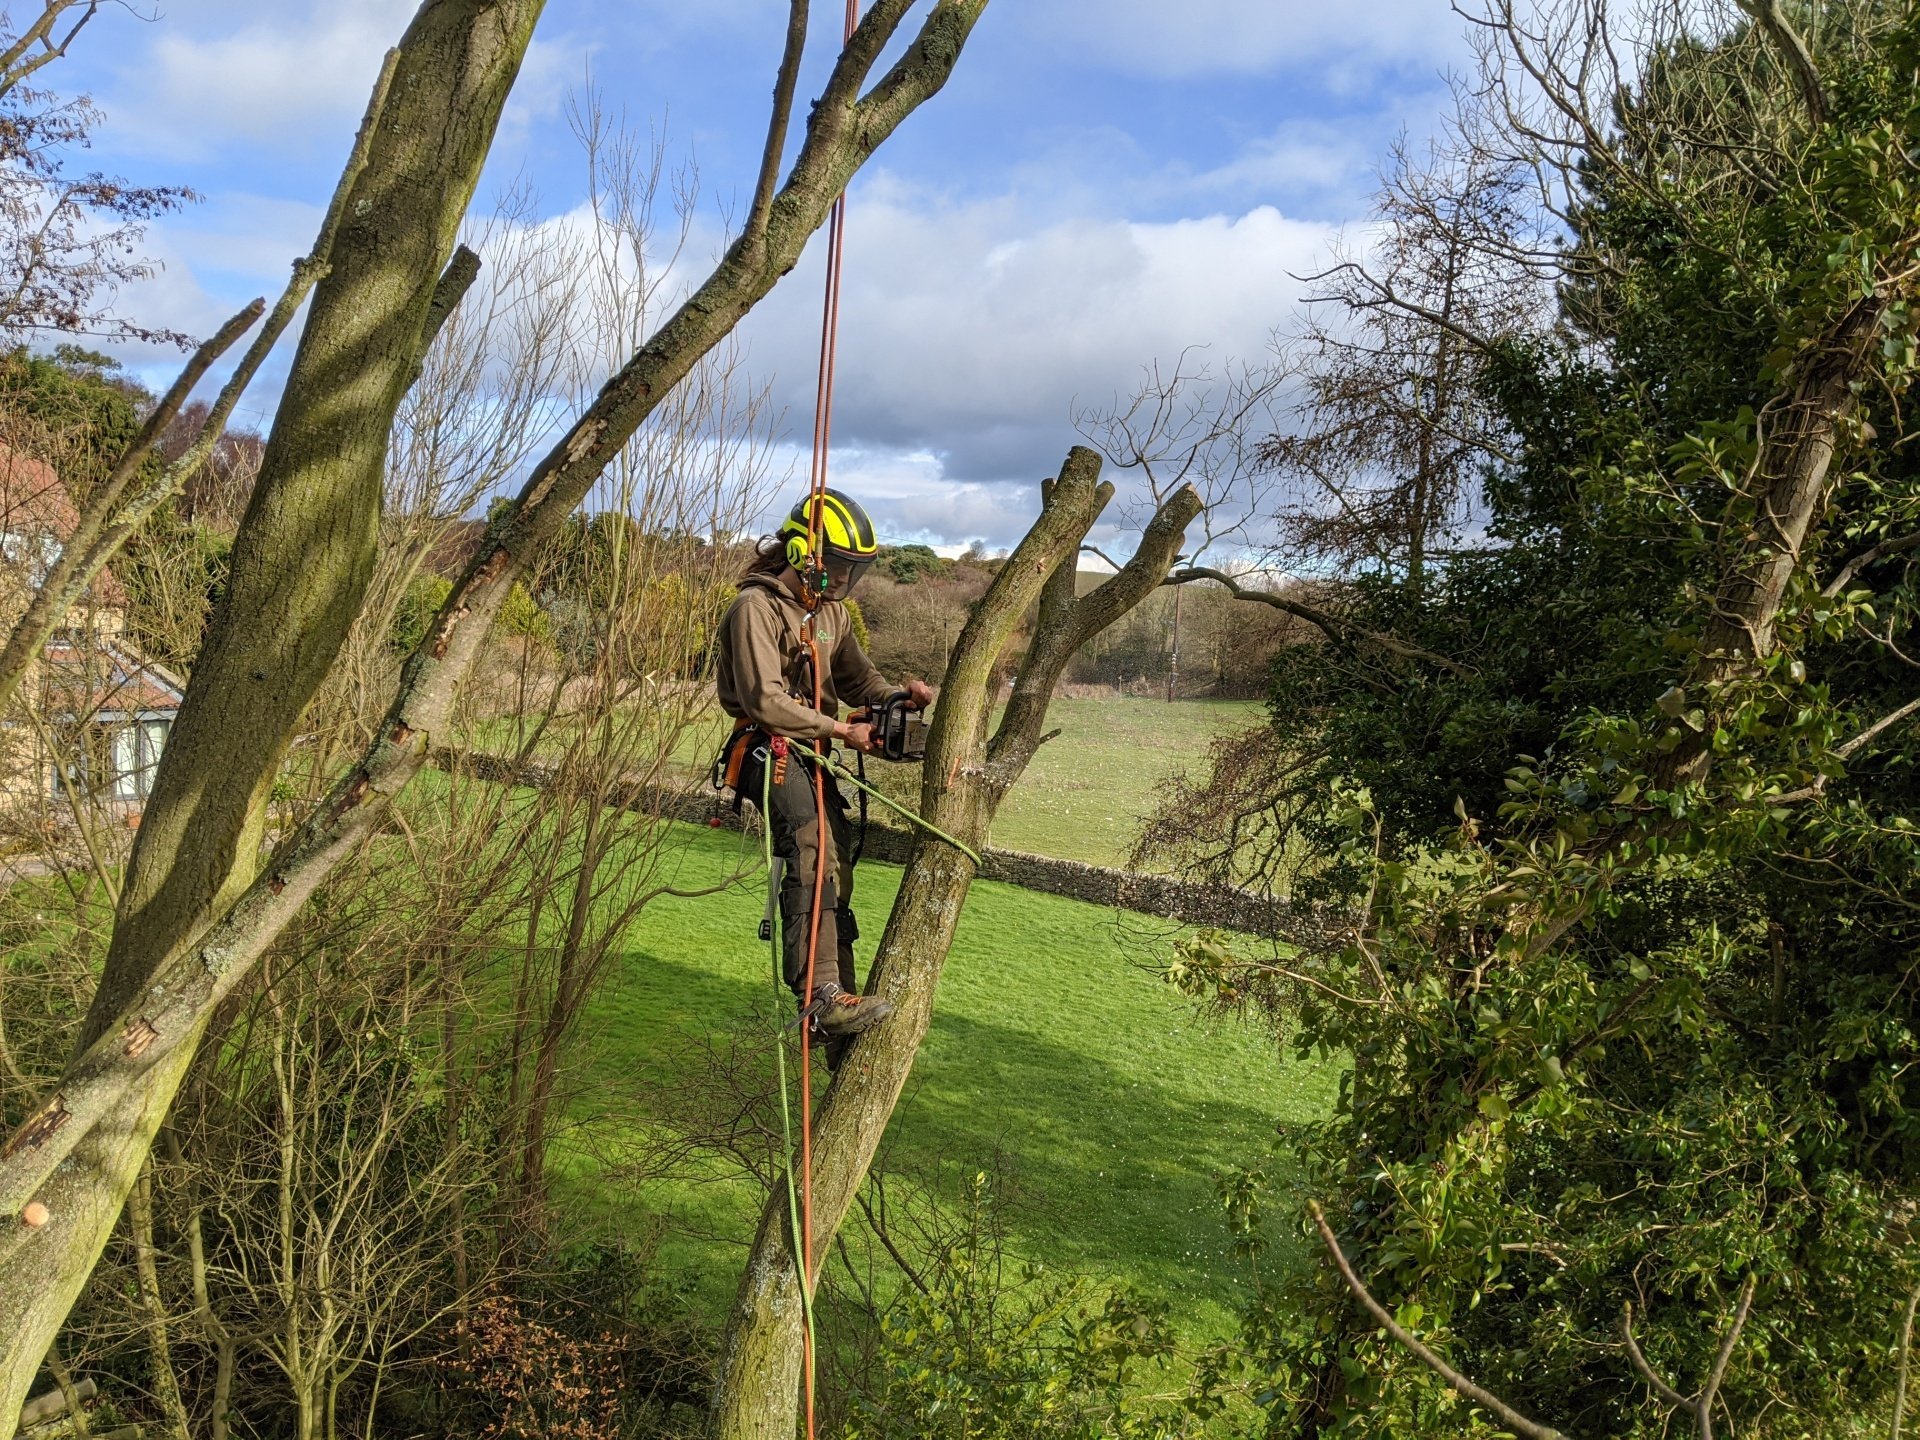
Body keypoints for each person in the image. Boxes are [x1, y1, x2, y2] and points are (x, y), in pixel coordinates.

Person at [713, 488, 932, 1060]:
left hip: (810, 754)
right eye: (835, 567)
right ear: (800, 552)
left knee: (837, 868)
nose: (841, 582)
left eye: (851, 572)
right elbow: (763, 700)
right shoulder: (754, 609)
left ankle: (841, 1016)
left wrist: (897, 701)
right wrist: (840, 733)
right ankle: (818, 994)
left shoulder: (831, 615)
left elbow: (861, 681)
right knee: (810, 842)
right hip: (767, 747)